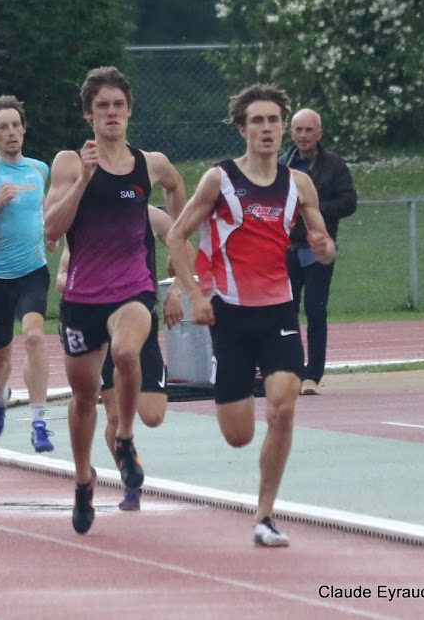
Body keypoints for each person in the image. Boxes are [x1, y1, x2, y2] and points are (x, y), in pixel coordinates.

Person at [166, 83, 336, 547]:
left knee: (283, 406)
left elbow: (325, 248)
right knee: (239, 435)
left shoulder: (299, 184)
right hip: (231, 319)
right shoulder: (218, 180)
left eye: (273, 120)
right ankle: (257, 491)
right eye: (257, 121)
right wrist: (195, 293)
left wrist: (324, 247)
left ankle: (265, 515)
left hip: (279, 312)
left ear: (284, 129)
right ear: (242, 129)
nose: (267, 128)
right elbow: (176, 237)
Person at [44, 66, 186, 534]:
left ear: (129, 111)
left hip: (133, 287)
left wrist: (178, 244)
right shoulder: (69, 162)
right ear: (89, 114)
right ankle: (84, 478)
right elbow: (50, 230)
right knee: (84, 398)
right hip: (82, 296)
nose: (111, 113)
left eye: (118, 105)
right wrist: (84, 180)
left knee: (126, 352)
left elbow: (176, 186)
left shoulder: (150, 163)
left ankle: (124, 437)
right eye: (102, 106)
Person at [55, 205, 186, 511]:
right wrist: (82, 282)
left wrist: (177, 290)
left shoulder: (155, 217)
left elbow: (183, 247)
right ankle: (129, 481)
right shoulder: (89, 219)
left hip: (138, 320)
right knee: (113, 413)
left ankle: (126, 454)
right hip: (97, 322)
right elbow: (62, 273)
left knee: (153, 415)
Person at [0, 95, 55, 453]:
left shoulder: (40, 169)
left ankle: (39, 421)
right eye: (2, 127)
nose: (11, 132)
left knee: (35, 337)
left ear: (24, 129)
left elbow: (41, 212)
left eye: (16, 125)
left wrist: (49, 234)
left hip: (33, 272)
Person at [280, 108, 357, 395]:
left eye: (309, 130)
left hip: (319, 248)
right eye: (298, 130)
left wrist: (312, 211)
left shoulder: (334, 166)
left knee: (315, 309)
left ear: (319, 134)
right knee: (286, 311)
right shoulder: (280, 165)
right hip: (286, 248)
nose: (303, 136)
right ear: (291, 133)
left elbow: (349, 203)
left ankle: (312, 374)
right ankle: (292, 370)